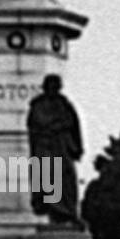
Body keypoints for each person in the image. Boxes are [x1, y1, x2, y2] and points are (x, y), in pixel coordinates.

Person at [26, 73, 84, 226]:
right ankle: (56, 214)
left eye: (56, 86)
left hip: (63, 147)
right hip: (46, 147)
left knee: (68, 178)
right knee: (50, 177)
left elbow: (75, 127)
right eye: (51, 86)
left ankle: (68, 212)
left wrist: (77, 147)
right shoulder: (37, 106)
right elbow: (36, 126)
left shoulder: (65, 105)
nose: (54, 89)